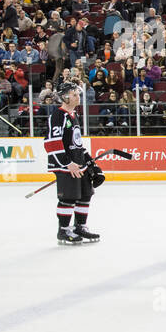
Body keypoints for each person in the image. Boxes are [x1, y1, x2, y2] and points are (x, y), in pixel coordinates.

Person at [45, 80, 104, 245]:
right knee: (68, 198)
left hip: (79, 164)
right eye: (74, 94)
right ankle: (63, 230)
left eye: (78, 94)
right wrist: (66, 163)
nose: (78, 97)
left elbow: (77, 144)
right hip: (66, 166)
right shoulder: (58, 115)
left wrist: (90, 162)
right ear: (65, 97)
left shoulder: (74, 115)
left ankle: (80, 227)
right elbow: (51, 143)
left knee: (86, 195)